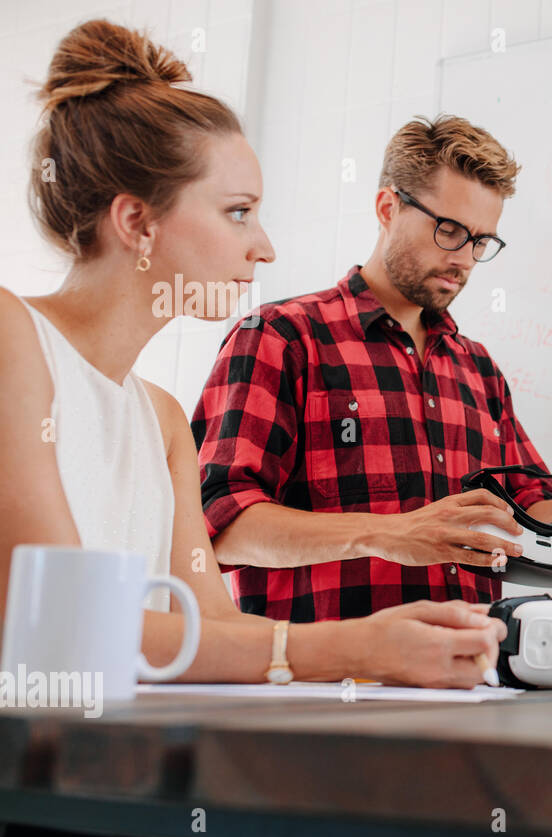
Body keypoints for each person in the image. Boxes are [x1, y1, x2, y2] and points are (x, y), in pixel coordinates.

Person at [0, 20, 504, 690]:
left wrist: (394, 639)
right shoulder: (13, 337)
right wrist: (354, 649)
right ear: (136, 222)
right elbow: (63, 624)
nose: (263, 247)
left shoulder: (163, 420)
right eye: (238, 212)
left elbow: (211, 624)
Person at [190, 115, 552, 623]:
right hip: (322, 684)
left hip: (468, 675)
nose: (465, 261)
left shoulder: (479, 369)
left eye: (481, 242)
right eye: (449, 230)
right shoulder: (281, 337)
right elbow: (216, 524)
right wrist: (389, 533)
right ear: (388, 207)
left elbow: (525, 515)